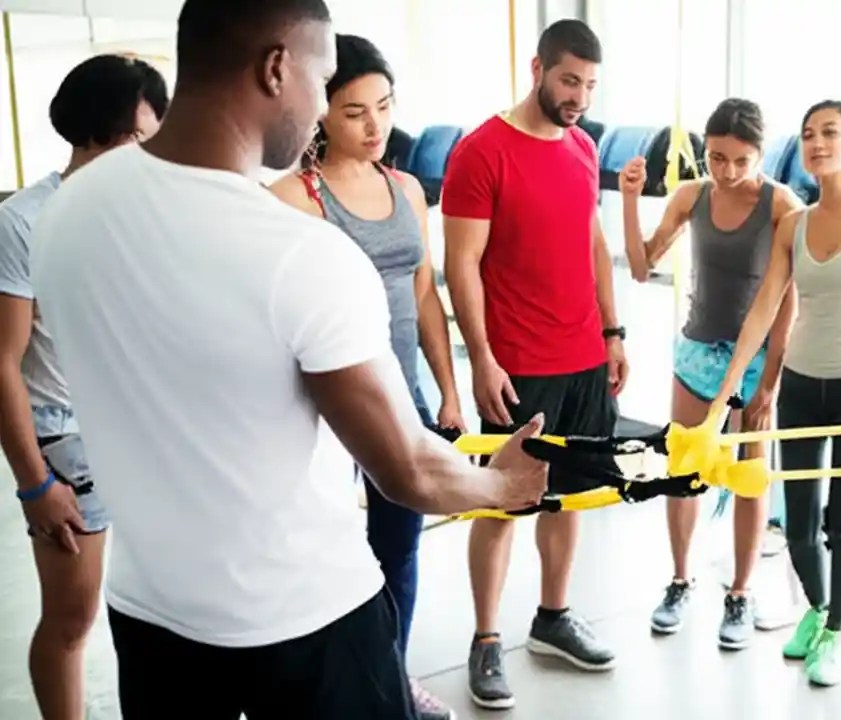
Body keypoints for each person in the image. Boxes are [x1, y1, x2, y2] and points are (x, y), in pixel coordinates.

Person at [27, 1, 547, 718]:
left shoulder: (63, 216)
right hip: (308, 621)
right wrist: (503, 485)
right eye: (324, 77)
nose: (322, 107)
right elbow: (408, 471)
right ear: (277, 68)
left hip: (151, 615)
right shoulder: (300, 254)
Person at [269, 33, 462, 719]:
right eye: (355, 111)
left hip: (400, 400)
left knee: (399, 551)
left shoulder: (407, 188)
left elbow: (424, 294)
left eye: (384, 106)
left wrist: (449, 390)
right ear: (320, 112)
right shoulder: (293, 198)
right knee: (323, 560)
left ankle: (394, 677)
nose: (376, 124)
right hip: (322, 412)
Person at [441, 18, 624, 711]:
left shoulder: (582, 146)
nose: (579, 96)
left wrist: (614, 331)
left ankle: (552, 617)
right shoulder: (481, 152)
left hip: (583, 356)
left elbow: (593, 242)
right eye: (569, 80)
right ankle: (486, 639)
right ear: (537, 68)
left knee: (570, 495)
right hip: (518, 364)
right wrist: (480, 359)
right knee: (502, 504)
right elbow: (462, 265)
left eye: (590, 85)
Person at [704, 99, 841, 687]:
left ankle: (835, 631)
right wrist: (734, 391)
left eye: (831, 132)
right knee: (796, 524)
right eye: (809, 134)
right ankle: (820, 611)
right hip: (799, 383)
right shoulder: (793, 225)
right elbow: (766, 308)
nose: (818, 143)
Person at [0, 53, 166, 720]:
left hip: (147, 429)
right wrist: (35, 483)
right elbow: (3, 362)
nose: (146, 156)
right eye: (135, 139)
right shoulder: (26, 220)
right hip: (66, 440)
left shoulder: (151, 211)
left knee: (161, 614)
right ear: (93, 130)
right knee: (72, 617)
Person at [616, 97, 803, 649]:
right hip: (698, 354)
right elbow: (643, 263)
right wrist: (629, 201)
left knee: (749, 479)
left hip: (756, 362)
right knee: (683, 472)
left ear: (760, 156)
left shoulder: (782, 205)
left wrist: (769, 381)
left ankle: (740, 593)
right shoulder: (692, 195)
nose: (726, 171)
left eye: (740, 161)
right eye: (717, 158)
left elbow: (787, 299)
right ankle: (679, 580)